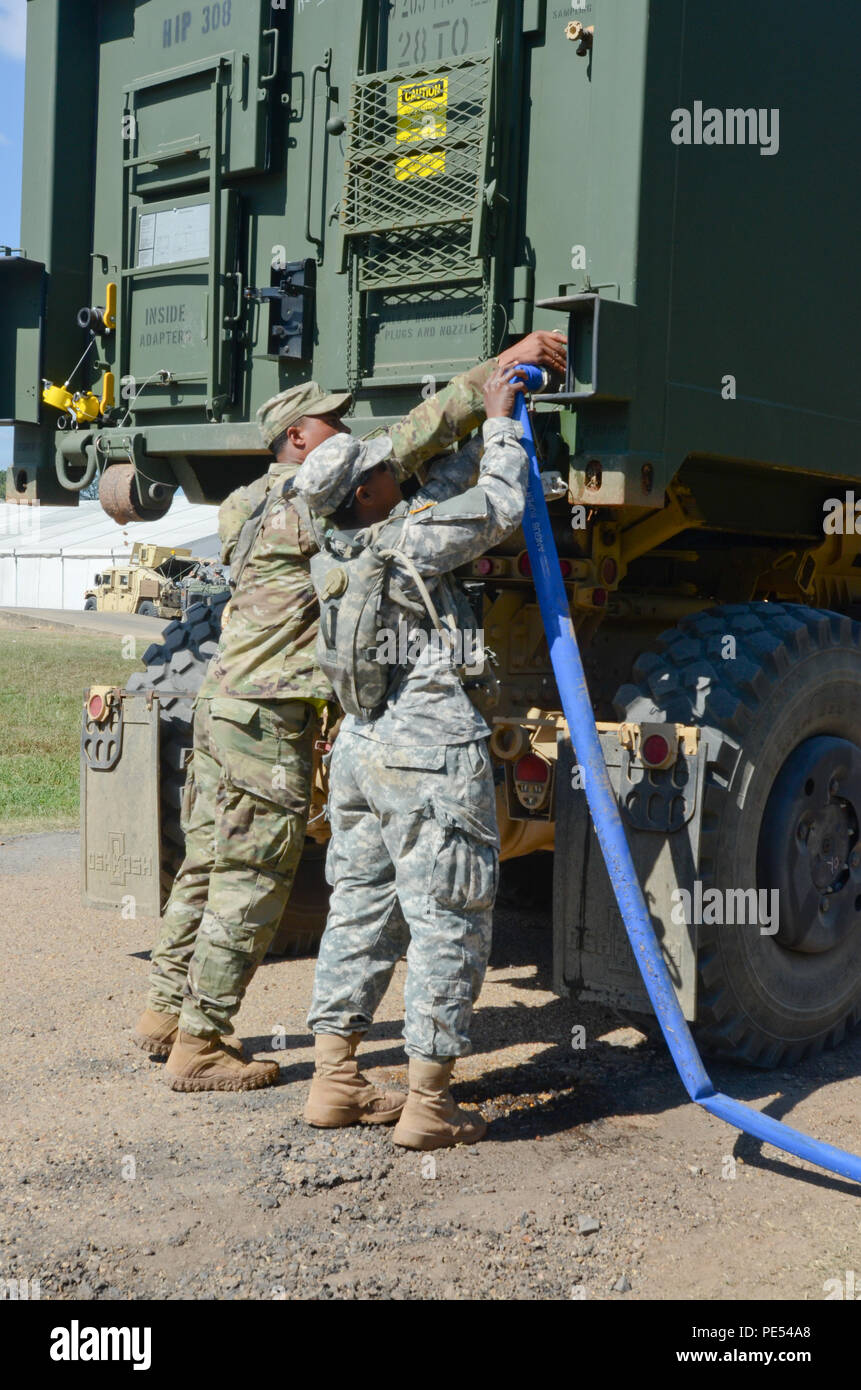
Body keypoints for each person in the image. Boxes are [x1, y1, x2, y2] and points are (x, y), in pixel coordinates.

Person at [133, 332, 566, 1093]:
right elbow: (419, 449)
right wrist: (497, 378)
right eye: (334, 425)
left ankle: (165, 1013)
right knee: (253, 875)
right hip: (267, 715)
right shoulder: (317, 515)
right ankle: (200, 1043)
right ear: (299, 440)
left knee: (206, 865)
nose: (354, 434)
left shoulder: (245, 503)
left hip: (225, 701)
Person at [293, 364, 530, 1148]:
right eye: (378, 471)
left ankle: (334, 1084)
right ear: (362, 493)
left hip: (361, 751)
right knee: (446, 922)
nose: (391, 470)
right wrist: (498, 420)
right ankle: (429, 1106)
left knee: (358, 910)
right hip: (427, 754)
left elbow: (434, 500)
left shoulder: (332, 542)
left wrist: (456, 443)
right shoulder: (411, 537)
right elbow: (496, 507)